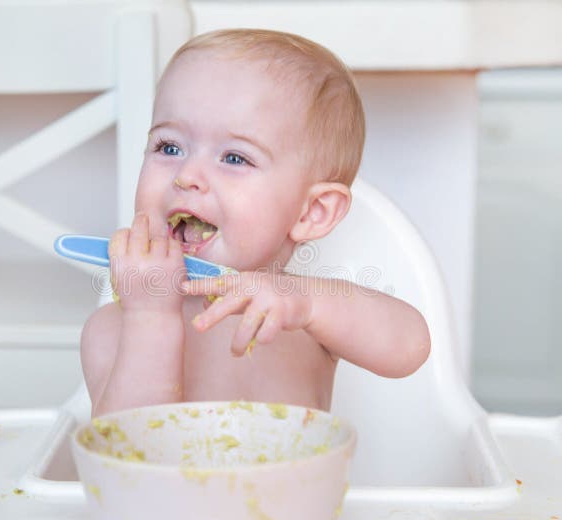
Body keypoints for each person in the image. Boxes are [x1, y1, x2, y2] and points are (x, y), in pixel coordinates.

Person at [81, 29, 431, 417]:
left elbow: (410, 348)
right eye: (169, 147)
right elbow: (124, 454)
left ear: (311, 212)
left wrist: (309, 304)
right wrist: (150, 318)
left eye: (234, 158)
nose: (186, 175)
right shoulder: (112, 329)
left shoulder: (304, 316)